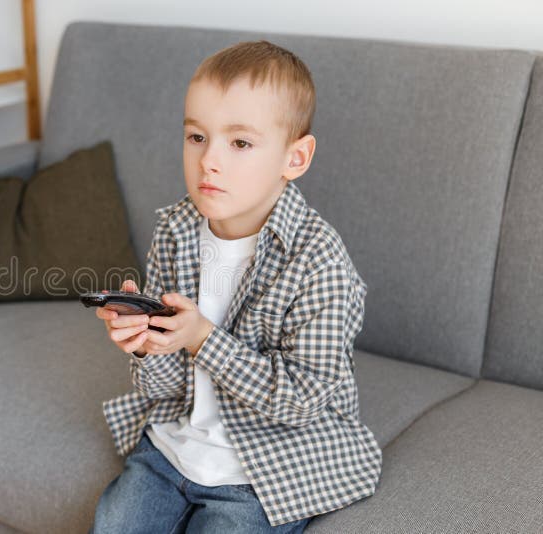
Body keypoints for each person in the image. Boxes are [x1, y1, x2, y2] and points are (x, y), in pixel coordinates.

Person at [89, 40, 382, 533]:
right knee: (114, 524)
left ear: (295, 157)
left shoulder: (320, 261)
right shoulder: (176, 231)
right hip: (172, 447)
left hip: (269, 466)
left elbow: (301, 401)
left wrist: (203, 338)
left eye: (240, 143)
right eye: (197, 137)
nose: (209, 161)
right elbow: (166, 386)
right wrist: (145, 345)